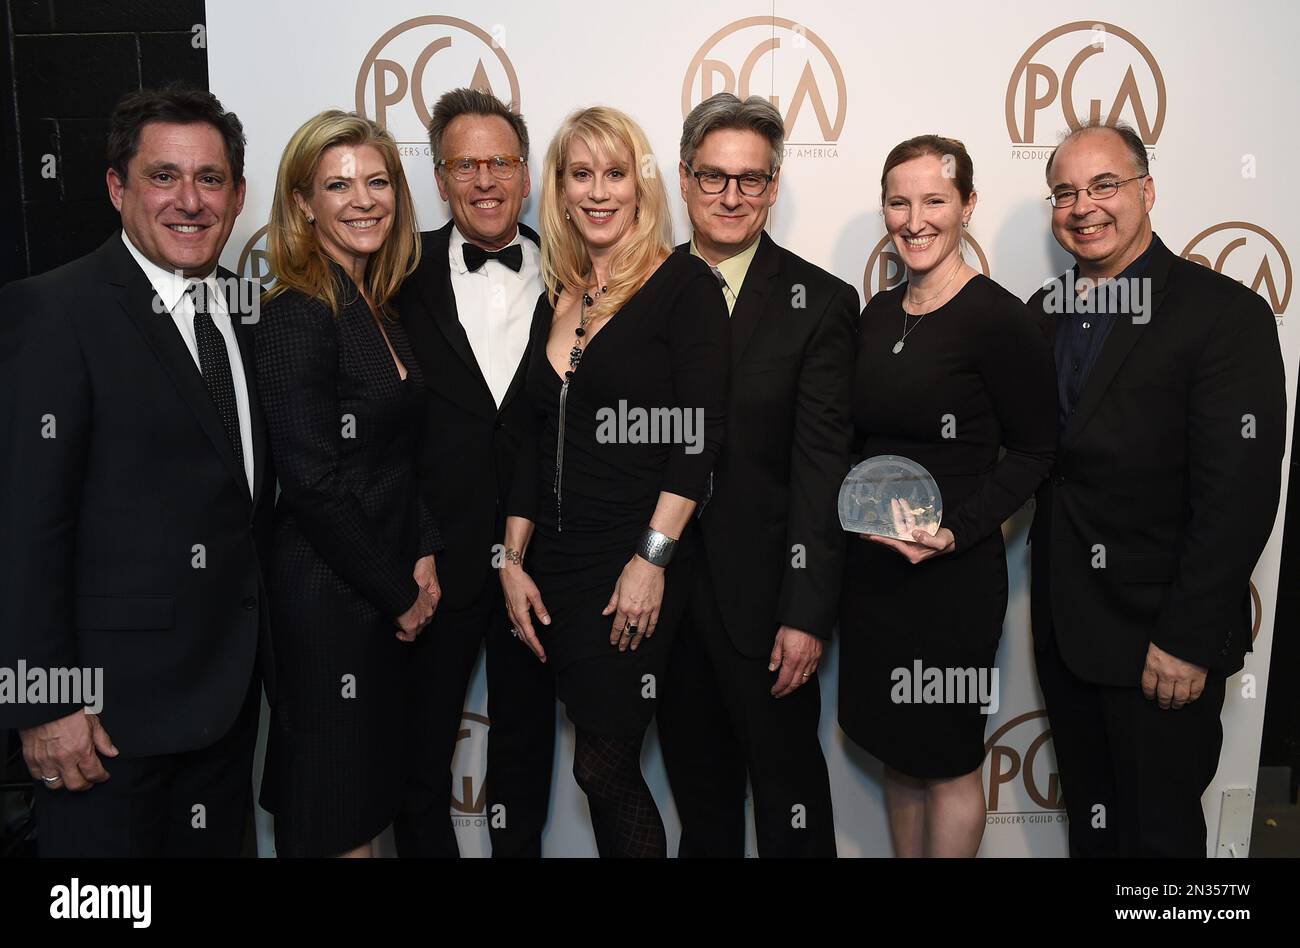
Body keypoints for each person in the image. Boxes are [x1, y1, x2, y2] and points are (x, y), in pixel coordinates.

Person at [0, 86, 273, 856]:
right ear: (118, 188)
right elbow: (23, 526)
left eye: (211, 179)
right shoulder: (53, 312)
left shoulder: (246, 313)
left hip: (226, 710)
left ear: (238, 194)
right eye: (163, 176)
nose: (190, 201)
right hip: (104, 726)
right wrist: (41, 702)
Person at [1028, 120, 1286, 857]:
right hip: (1067, 631)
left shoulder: (1222, 315)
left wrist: (1185, 638)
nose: (1083, 206)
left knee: (1160, 840)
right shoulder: (1040, 315)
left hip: (1160, 642)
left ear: (1146, 190)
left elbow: (1238, 493)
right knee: (1095, 829)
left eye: (1104, 185)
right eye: (1065, 192)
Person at [499, 106, 728, 858]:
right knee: (598, 763)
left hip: (632, 560)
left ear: (642, 185)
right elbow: (535, 439)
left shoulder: (684, 285)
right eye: (581, 174)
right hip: (558, 567)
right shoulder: (559, 295)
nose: (599, 192)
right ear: (560, 191)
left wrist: (651, 559)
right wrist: (511, 560)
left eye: (616, 174)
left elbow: (696, 442)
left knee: (601, 762)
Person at [838, 135, 1057, 857]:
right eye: (899, 201)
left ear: (967, 206)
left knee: (951, 759)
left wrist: (954, 533)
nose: (915, 218)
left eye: (935, 200)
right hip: (874, 579)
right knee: (897, 751)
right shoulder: (875, 314)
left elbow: (1034, 452)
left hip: (952, 583)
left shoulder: (999, 319)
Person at [655, 93, 855, 857]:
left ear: (773, 186)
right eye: (713, 178)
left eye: (750, 179)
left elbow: (821, 472)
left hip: (768, 603)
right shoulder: (639, 287)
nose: (731, 196)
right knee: (701, 806)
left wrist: (806, 613)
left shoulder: (820, 303)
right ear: (683, 179)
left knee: (788, 801)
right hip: (658, 602)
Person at [254, 110, 442, 858]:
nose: (363, 199)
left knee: (368, 804)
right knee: (339, 817)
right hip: (328, 599)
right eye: (338, 185)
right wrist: (398, 592)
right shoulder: (297, 311)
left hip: (381, 586)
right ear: (303, 202)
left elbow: (400, 456)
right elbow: (312, 485)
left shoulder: (376, 304)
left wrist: (423, 552)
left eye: (376, 181)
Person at [397, 89, 557, 858]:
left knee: (526, 754)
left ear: (526, 176)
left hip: (544, 561)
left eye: (501, 162)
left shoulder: (574, 273)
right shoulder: (395, 274)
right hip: (433, 559)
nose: (485, 179)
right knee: (419, 762)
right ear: (439, 177)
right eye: (466, 163)